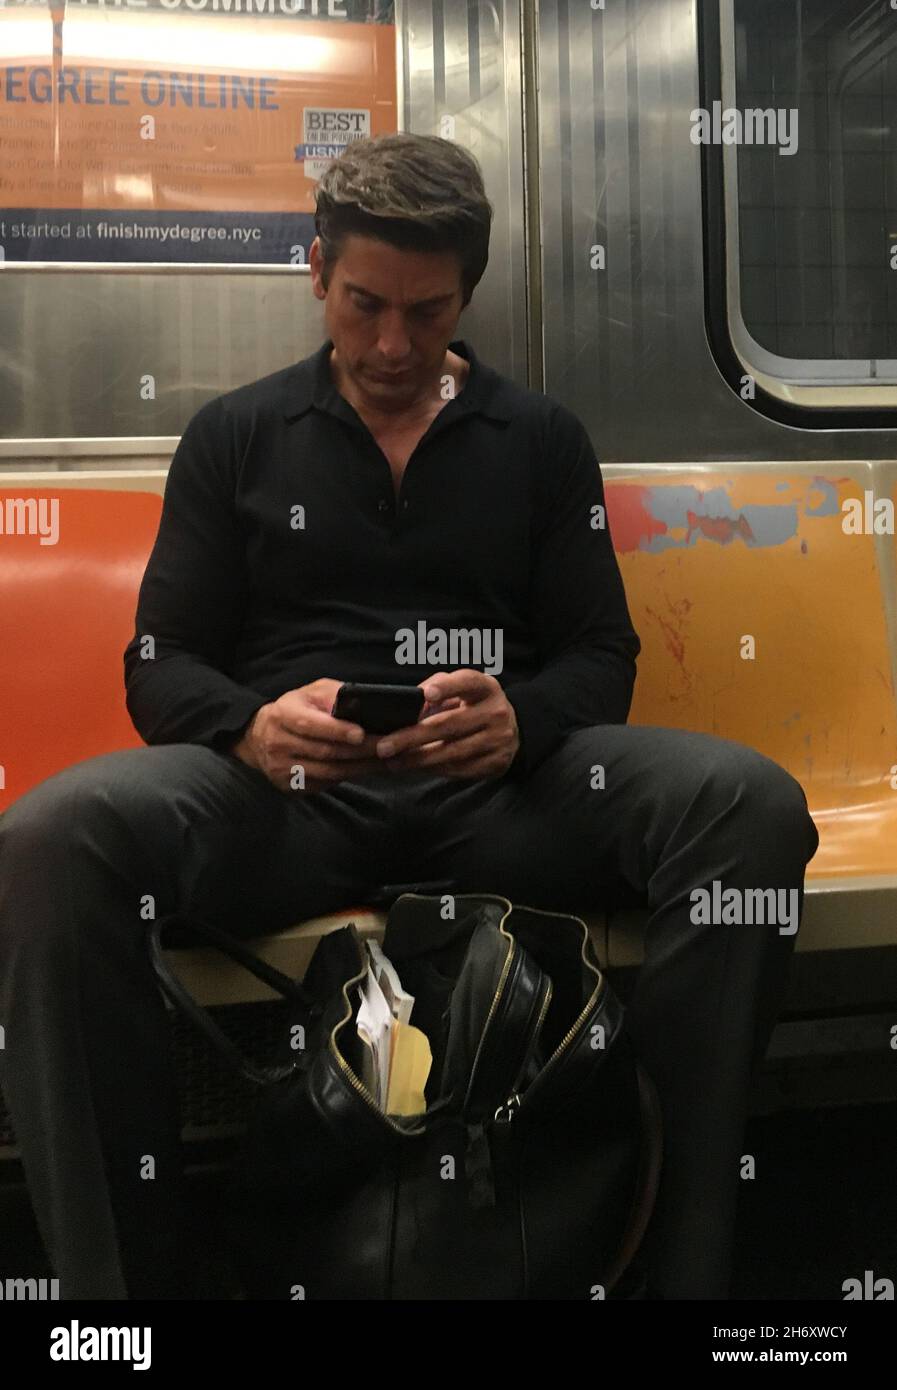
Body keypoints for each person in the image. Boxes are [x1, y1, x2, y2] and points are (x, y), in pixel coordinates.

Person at [0, 133, 818, 1300]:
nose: (392, 346)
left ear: (466, 295)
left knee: (748, 809)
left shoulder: (538, 442)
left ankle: (670, 1271)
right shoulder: (235, 435)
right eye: (363, 305)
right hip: (287, 802)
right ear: (316, 272)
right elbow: (159, 662)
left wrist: (521, 720)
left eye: (426, 315)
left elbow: (601, 655)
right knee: (50, 839)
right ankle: (122, 1303)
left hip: (495, 798)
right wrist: (251, 724)